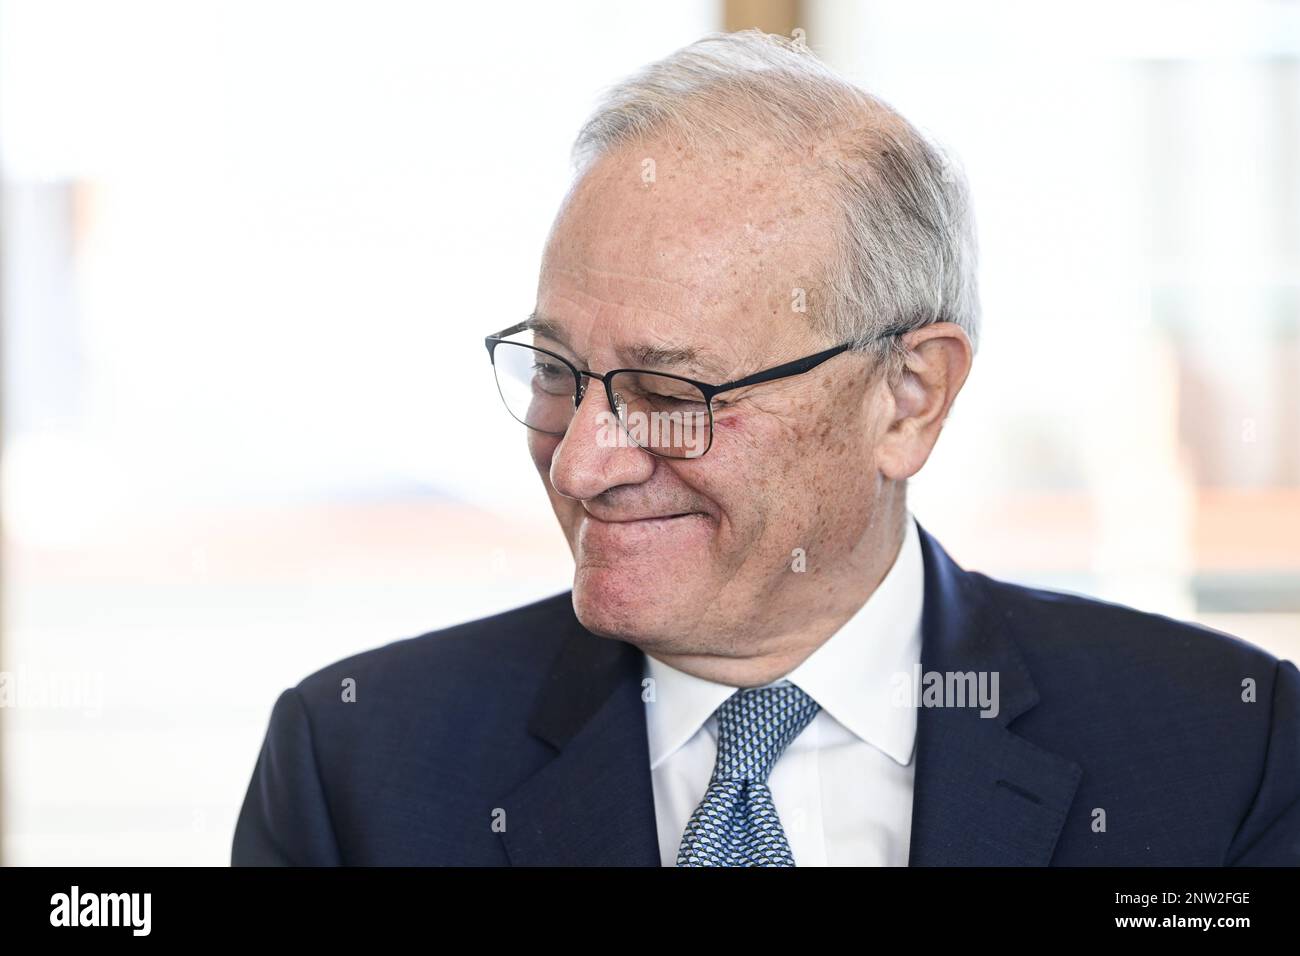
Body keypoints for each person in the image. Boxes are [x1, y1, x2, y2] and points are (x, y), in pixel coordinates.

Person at [232, 30, 1300, 866]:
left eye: (671, 390)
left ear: (908, 398)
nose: (581, 462)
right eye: (557, 371)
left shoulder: (1224, 755)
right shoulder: (357, 770)